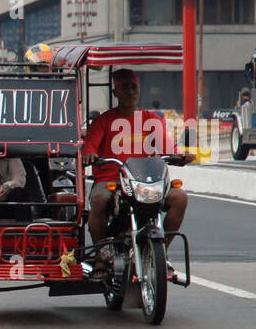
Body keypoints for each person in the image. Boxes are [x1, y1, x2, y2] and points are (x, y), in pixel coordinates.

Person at [82, 69, 194, 275]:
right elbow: (89, 146)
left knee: (179, 198)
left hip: (146, 182)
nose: (130, 92)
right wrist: (89, 154)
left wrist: (180, 155)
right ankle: (102, 254)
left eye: (134, 87)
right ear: (115, 93)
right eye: (125, 88)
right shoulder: (103, 121)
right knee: (98, 202)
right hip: (111, 180)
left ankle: (160, 254)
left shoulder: (152, 119)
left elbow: (167, 147)